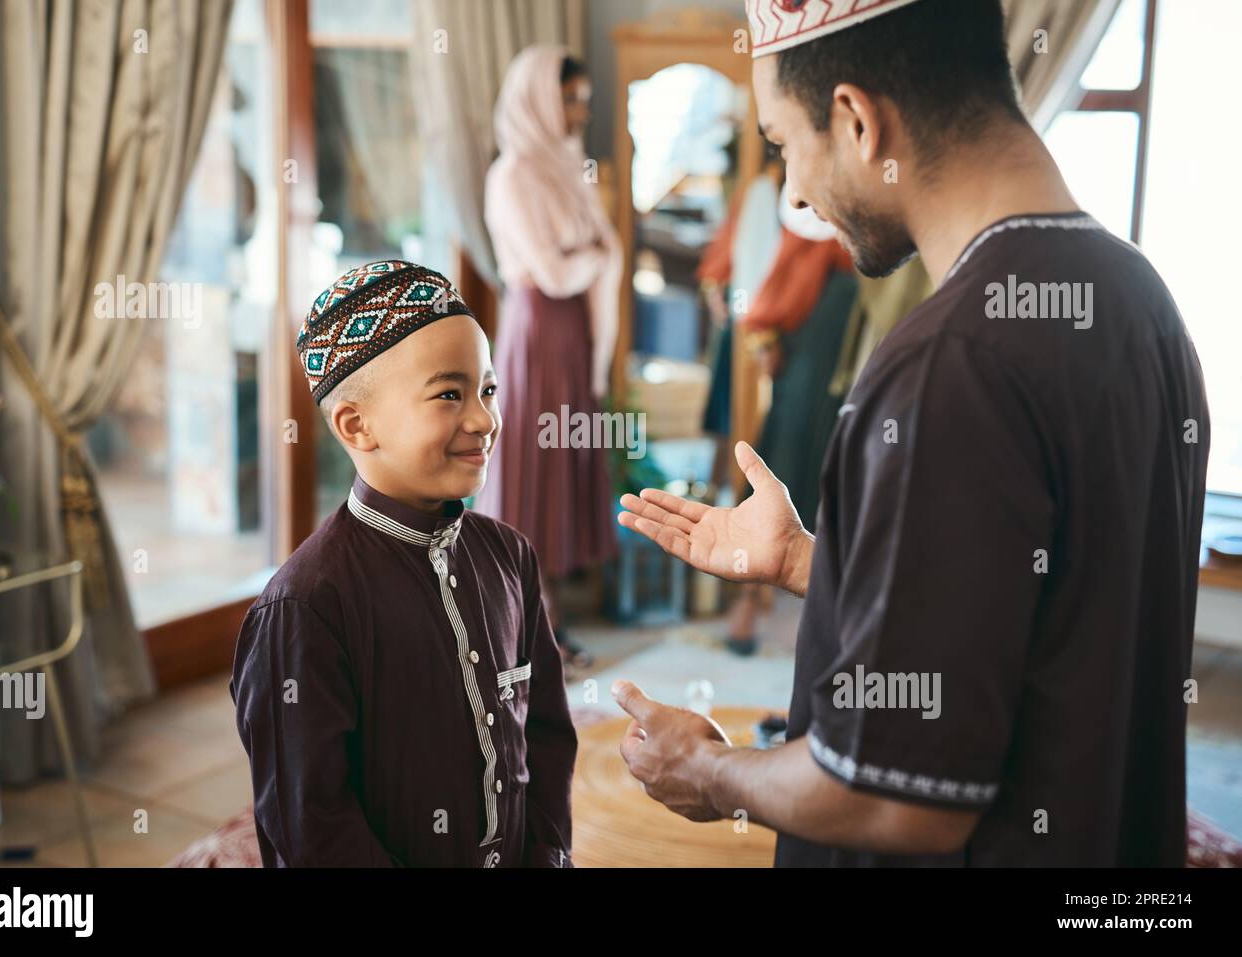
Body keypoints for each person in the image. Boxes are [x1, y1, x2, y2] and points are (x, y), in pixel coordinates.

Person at [613, 0, 1209, 866]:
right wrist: (806, 563)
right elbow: (1037, 624)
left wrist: (709, 768)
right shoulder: (1140, 299)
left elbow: (894, 798)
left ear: (856, 119)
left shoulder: (950, 364)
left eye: (785, 147)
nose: (798, 194)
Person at [230, 260, 577, 867]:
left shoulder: (508, 557)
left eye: (487, 390)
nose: (484, 420)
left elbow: (545, 736)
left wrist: (548, 854)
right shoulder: (306, 609)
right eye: (449, 394)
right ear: (356, 424)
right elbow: (315, 831)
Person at [473, 46, 622, 671]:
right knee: (531, 469)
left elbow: (591, 251)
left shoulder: (567, 167)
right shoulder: (511, 175)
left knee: (560, 467)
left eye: (583, 99)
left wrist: (586, 252)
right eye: (568, 98)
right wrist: (588, 253)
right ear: (538, 97)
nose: (577, 111)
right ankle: (524, 630)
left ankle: (549, 624)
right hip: (537, 331)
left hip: (572, 331)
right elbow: (553, 267)